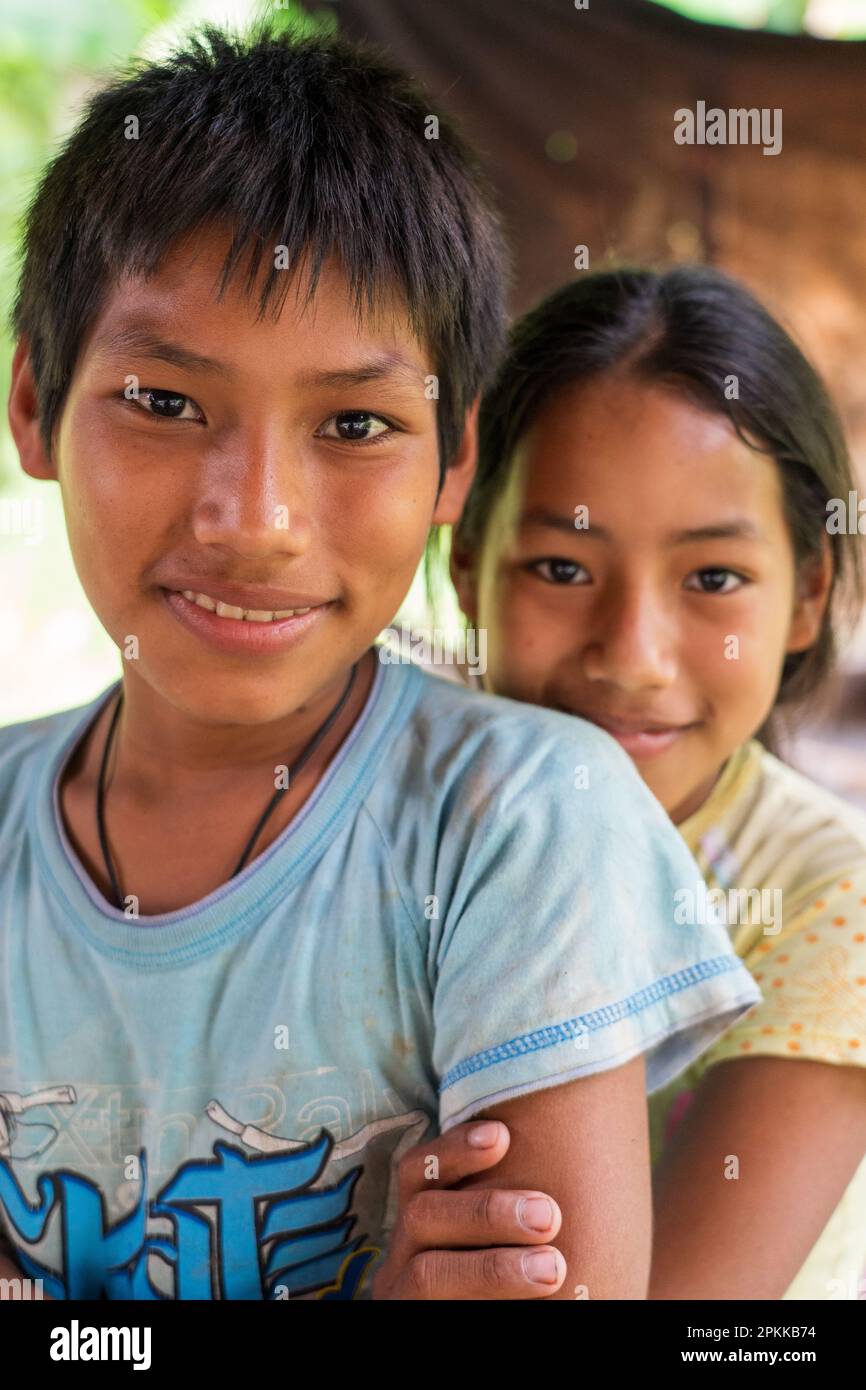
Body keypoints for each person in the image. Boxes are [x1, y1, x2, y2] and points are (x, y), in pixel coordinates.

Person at [0, 33, 757, 1301]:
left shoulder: (518, 825)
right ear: (35, 404)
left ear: (454, 464)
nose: (255, 519)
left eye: (355, 425)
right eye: (165, 402)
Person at [379, 267, 866, 1301]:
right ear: (467, 563)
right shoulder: (378, 821)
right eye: (561, 568)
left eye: (711, 578)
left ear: (806, 594)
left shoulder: (830, 902)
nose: (632, 656)